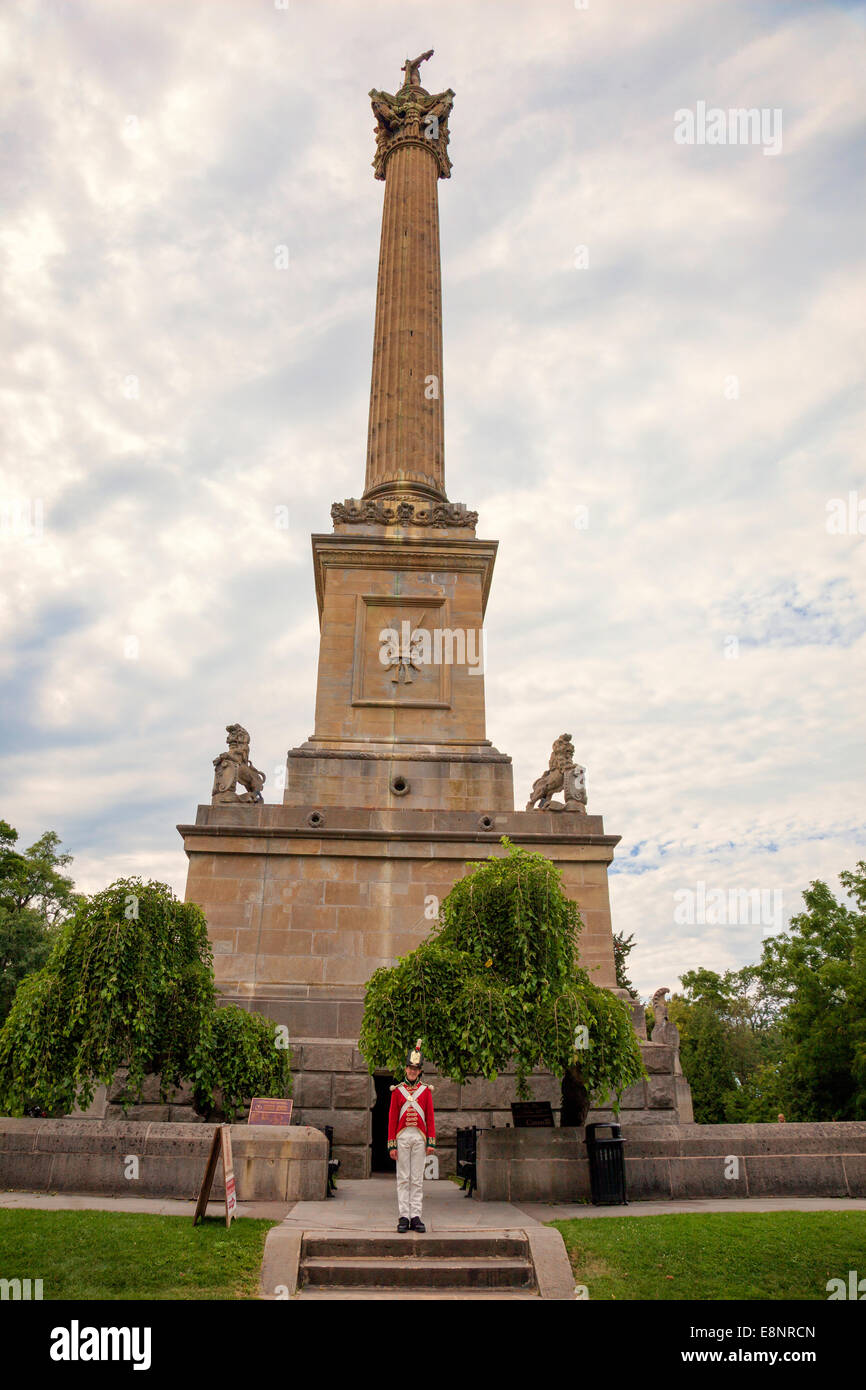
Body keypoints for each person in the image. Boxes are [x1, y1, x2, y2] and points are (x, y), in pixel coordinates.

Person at [388, 1037, 436, 1233]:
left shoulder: (426, 1091)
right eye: (410, 1068)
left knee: (417, 1178)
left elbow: (430, 1117)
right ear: (406, 1069)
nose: (412, 1071)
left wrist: (430, 1141)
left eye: (416, 1069)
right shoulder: (397, 1092)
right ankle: (403, 1216)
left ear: (420, 1071)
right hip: (402, 1138)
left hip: (419, 1138)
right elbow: (392, 1119)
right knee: (403, 1178)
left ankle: (416, 1216)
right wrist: (391, 1145)